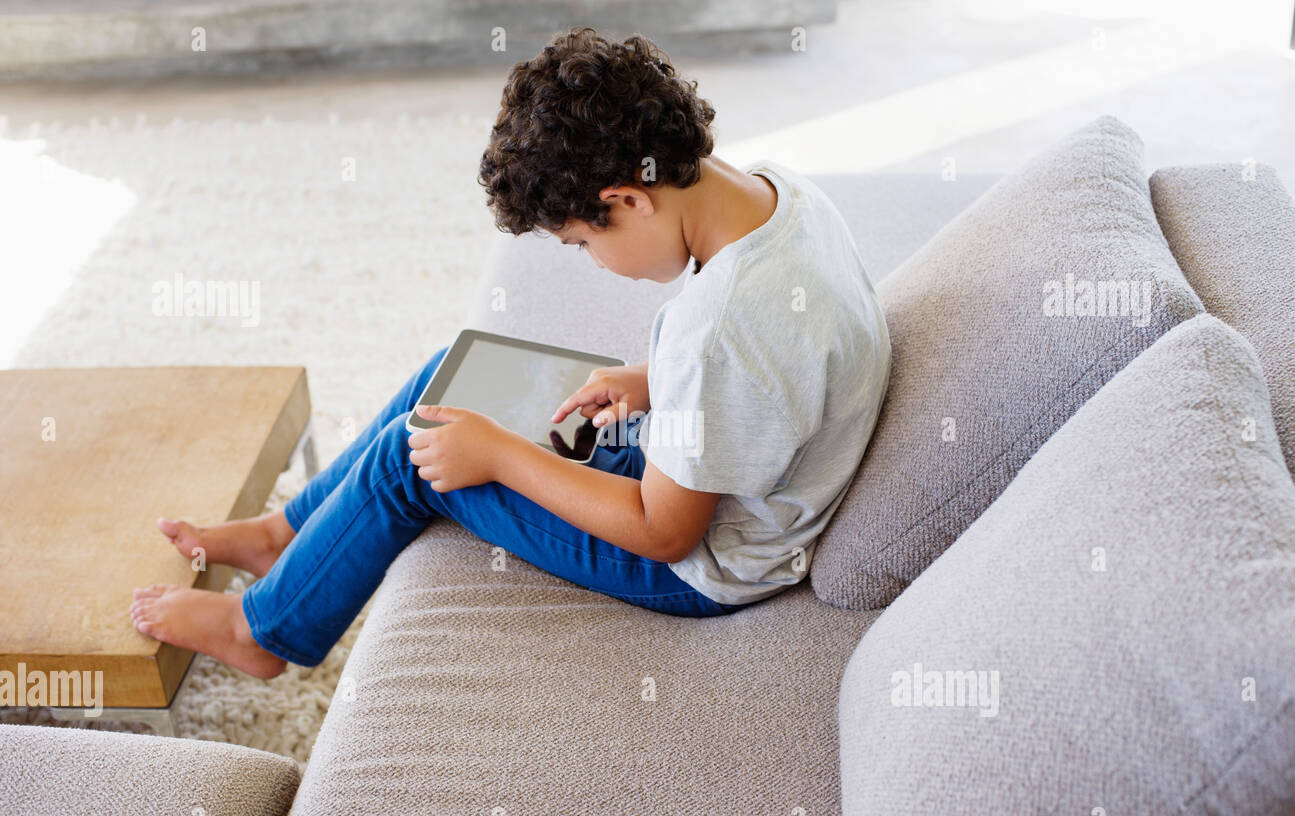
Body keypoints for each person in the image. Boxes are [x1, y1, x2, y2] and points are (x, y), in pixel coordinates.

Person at [129, 27, 891, 678]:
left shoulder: (718, 329)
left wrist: (500, 455)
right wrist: (652, 380)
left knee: (414, 455)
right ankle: (283, 536)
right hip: (701, 463)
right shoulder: (781, 196)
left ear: (628, 199)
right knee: (453, 370)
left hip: (702, 562)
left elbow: (665, 532)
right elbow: (780, 360)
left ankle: (261, 633)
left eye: (585, 242)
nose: (593, 261)